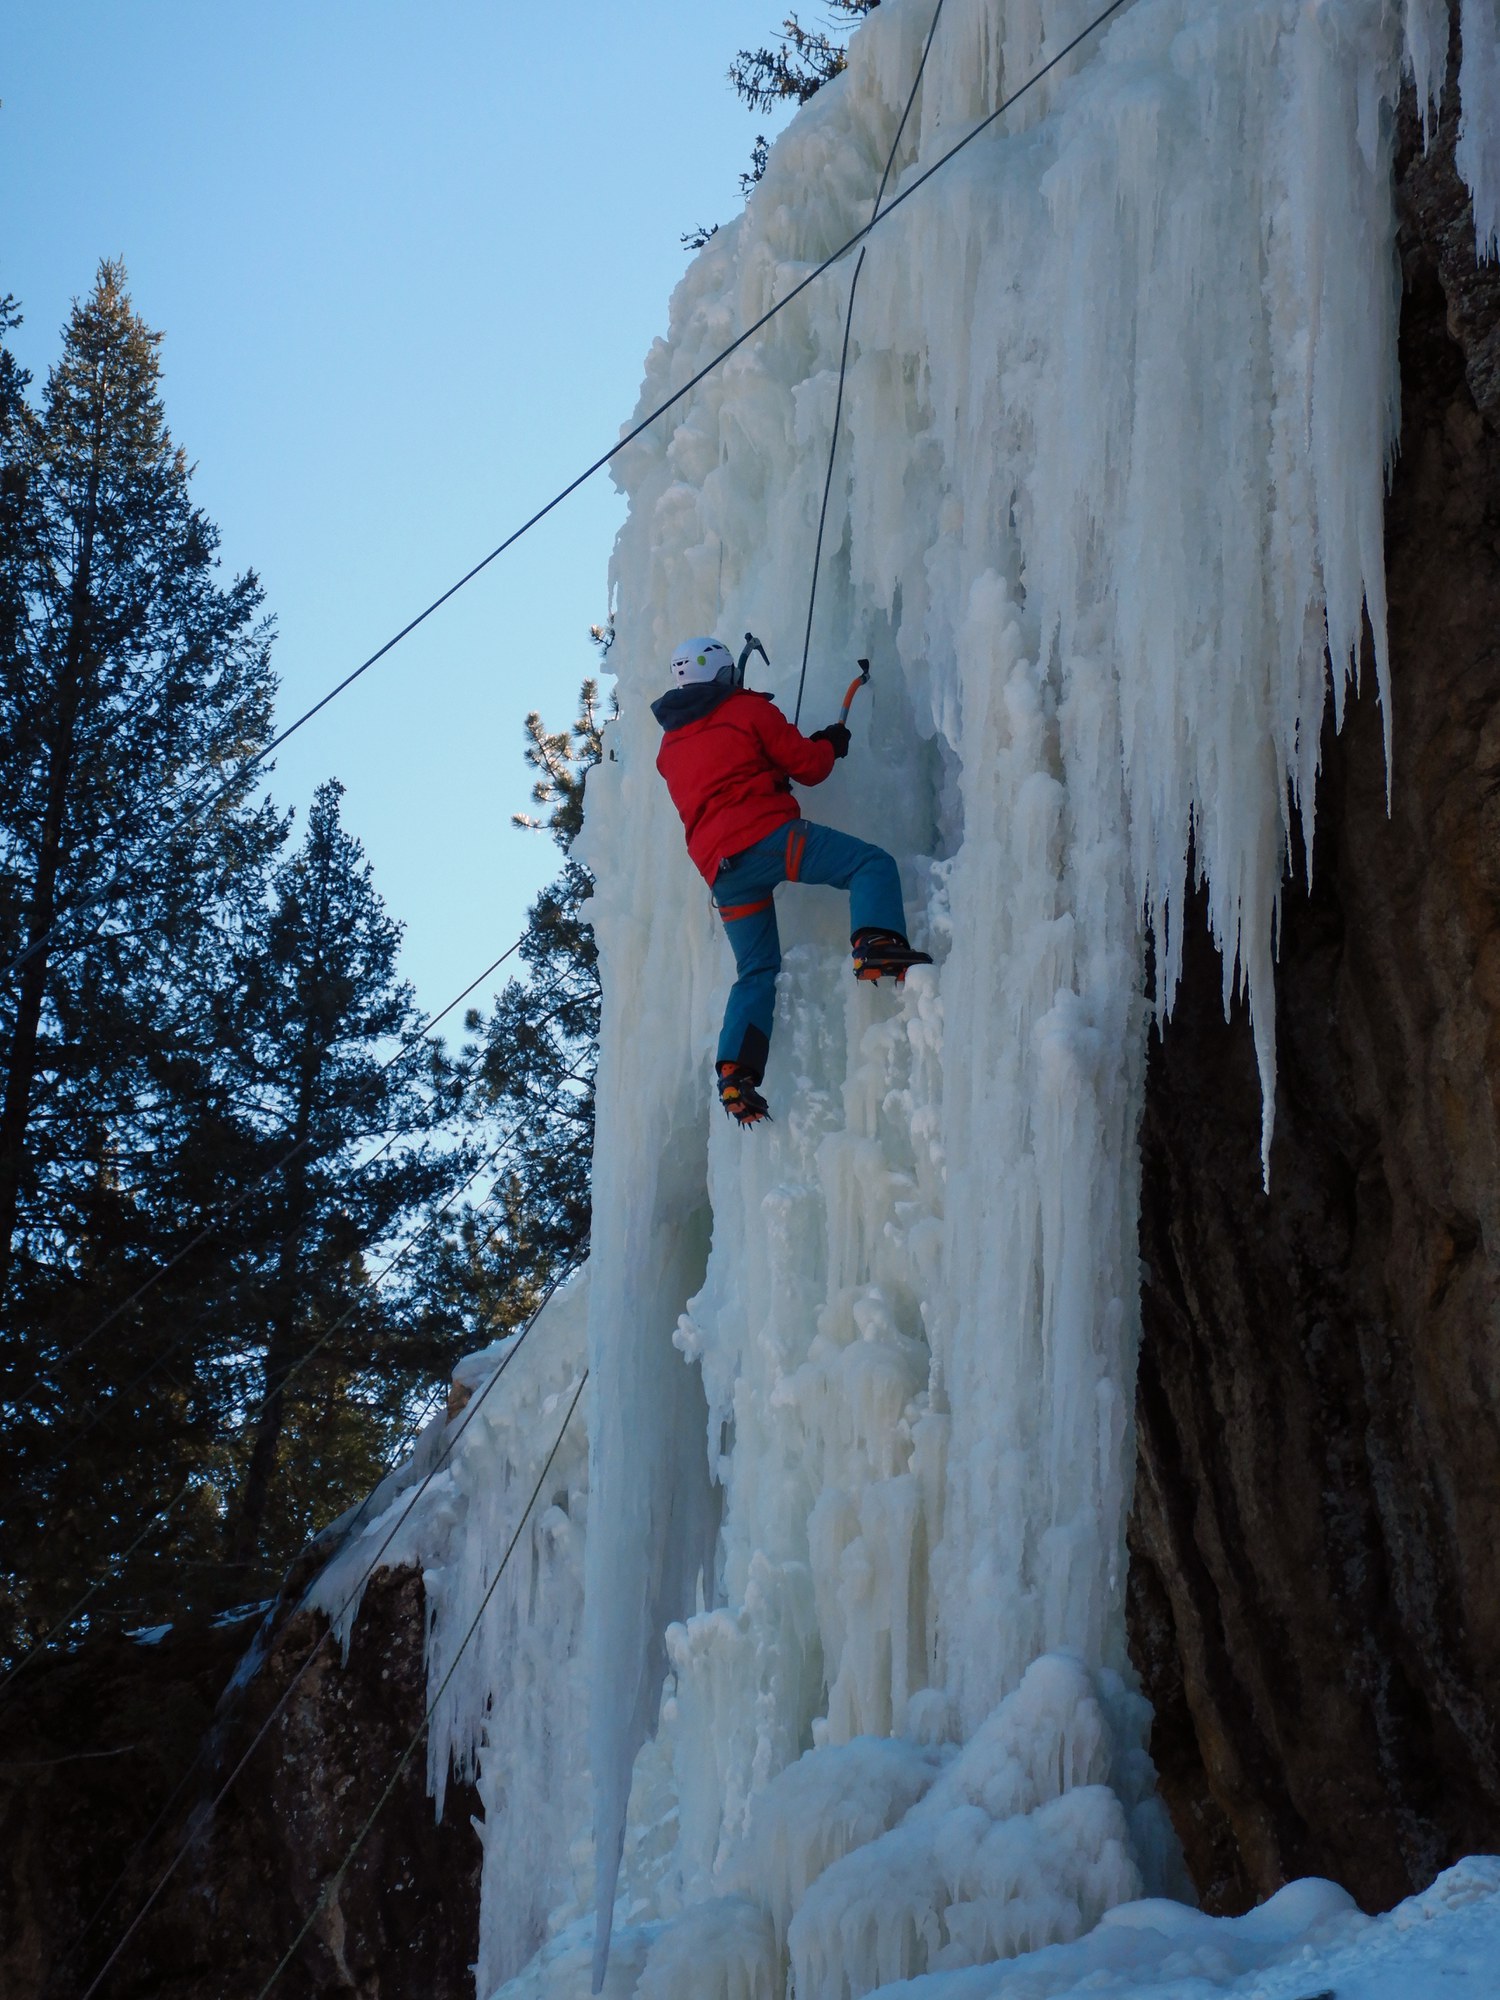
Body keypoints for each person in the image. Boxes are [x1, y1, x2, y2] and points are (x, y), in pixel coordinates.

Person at [652, 635, 931, 1127]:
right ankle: (876, 943)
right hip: (769, 840)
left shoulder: (669, 748)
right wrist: (831, 743)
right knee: (869, 865)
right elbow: (810, 766)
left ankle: (736, 1072)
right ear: (723, 673)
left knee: (756, 971)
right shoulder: (746, 710)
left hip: (724, 874)